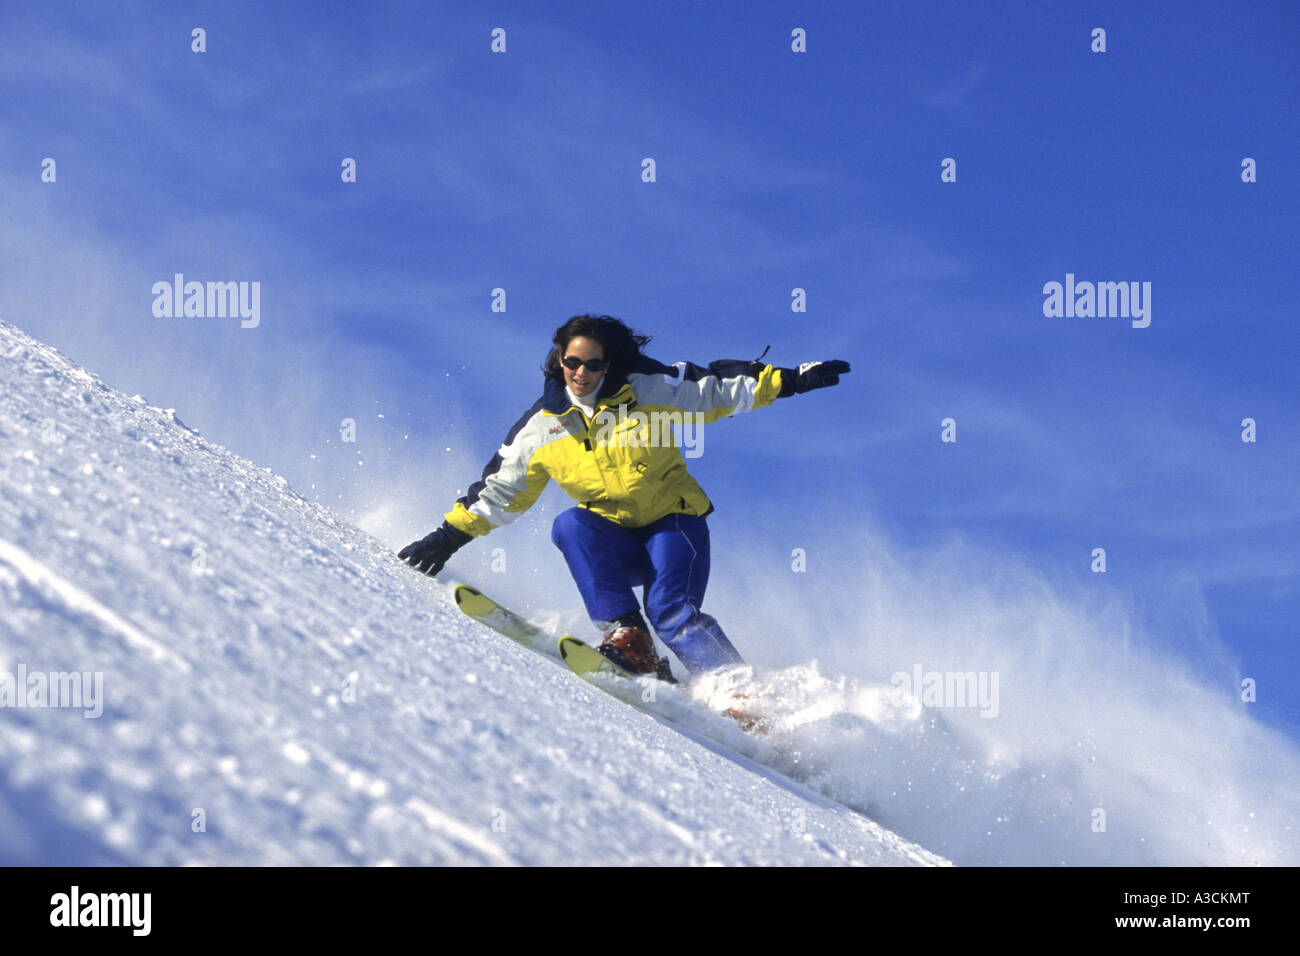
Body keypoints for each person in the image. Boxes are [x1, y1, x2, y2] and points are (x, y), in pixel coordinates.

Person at [399, 314, 849, 681]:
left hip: (673, 524)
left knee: (670, 610)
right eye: (573, 361)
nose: (581, 373)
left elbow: (713, 388)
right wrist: (446, 539)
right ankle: (631, 641)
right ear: (559, 359)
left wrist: (789, 380)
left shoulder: (645, 388)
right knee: (569, 524)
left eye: (593, 365)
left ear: (608, 365)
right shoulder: (541, 427)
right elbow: (501, 489)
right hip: (613, 538)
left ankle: (740, 695)